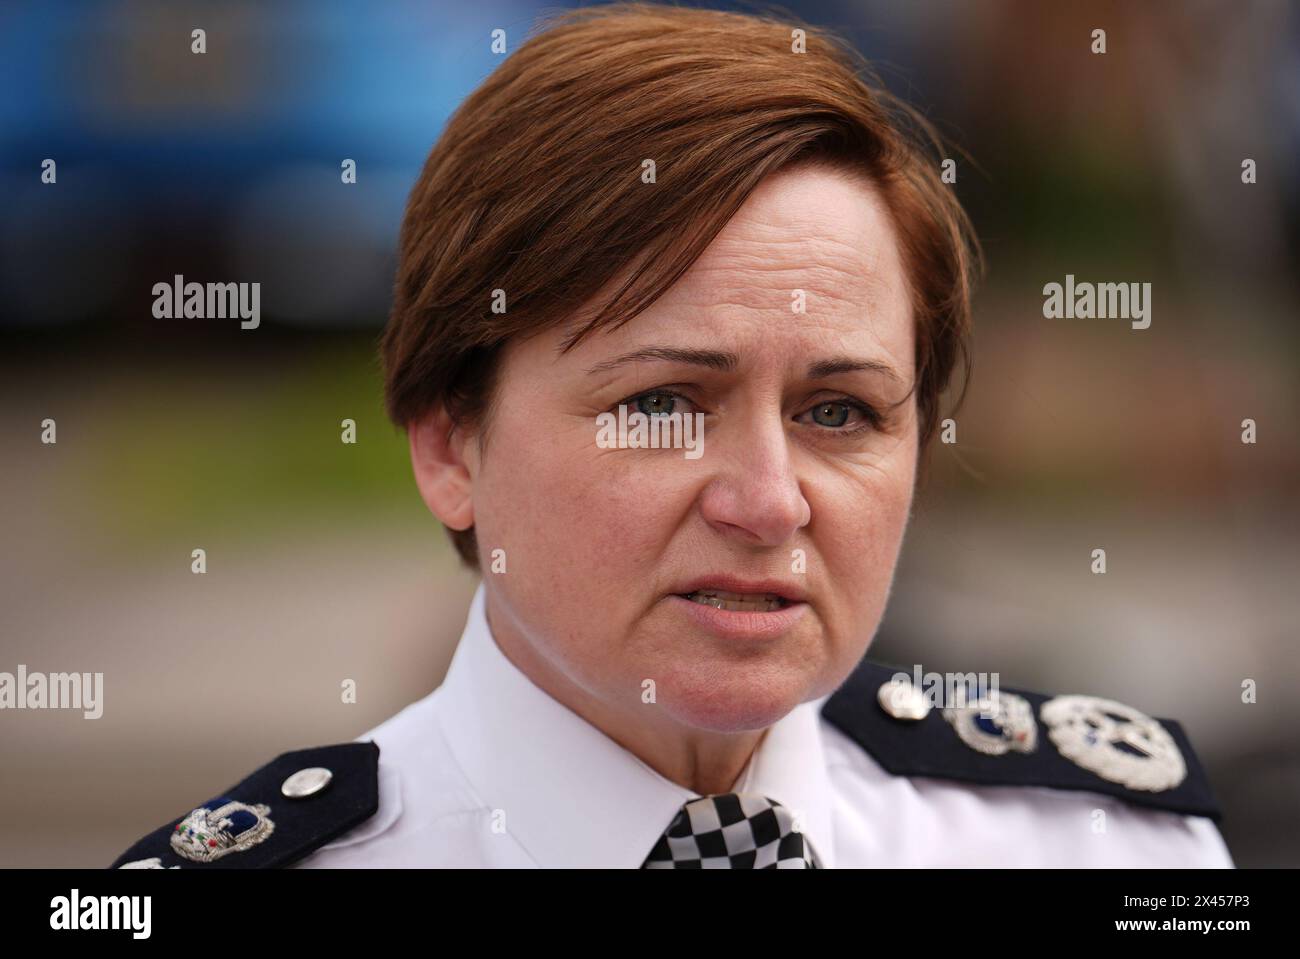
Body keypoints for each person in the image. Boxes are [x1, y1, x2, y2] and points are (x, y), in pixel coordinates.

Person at [109, 2, 1232, 869]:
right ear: (452, 445)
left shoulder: (1101, 845)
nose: (769, 500)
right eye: (659, 406)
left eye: (838, 412)